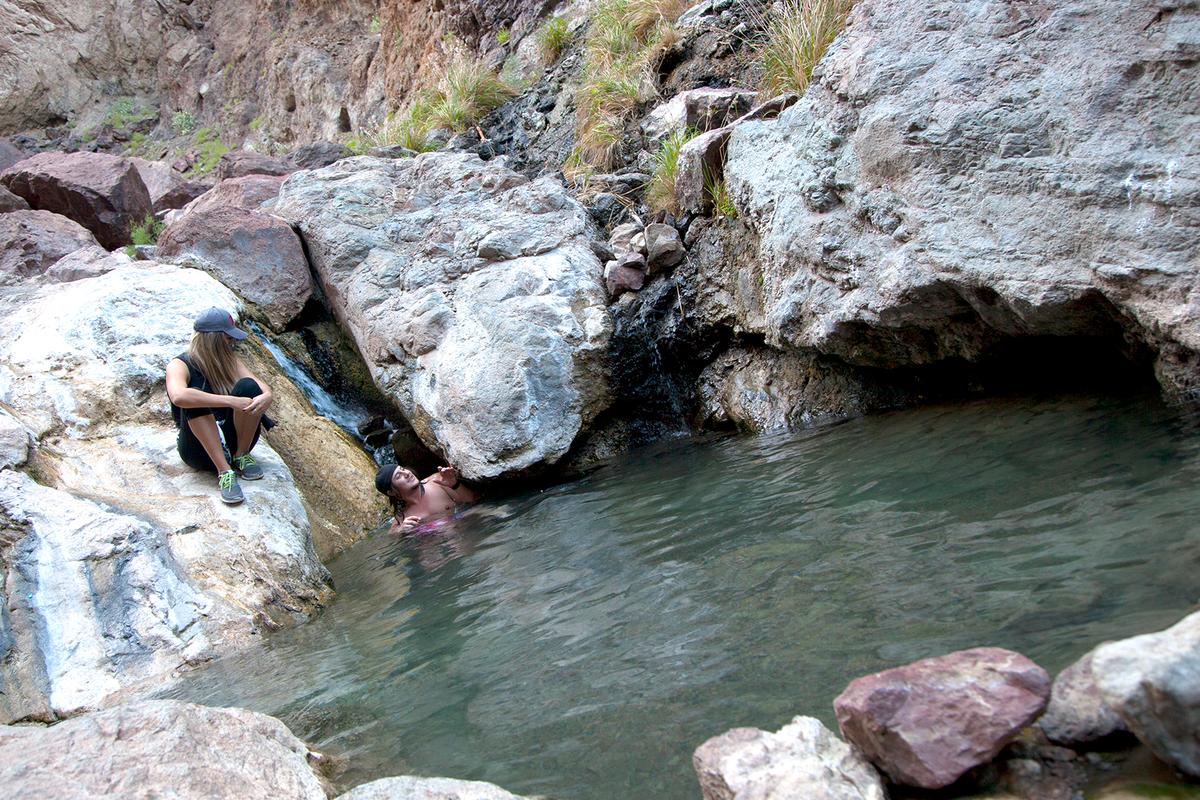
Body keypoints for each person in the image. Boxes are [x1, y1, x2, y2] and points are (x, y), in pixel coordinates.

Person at [165, 307, 274, 505]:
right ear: (213, 339)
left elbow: (257, 384)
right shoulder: (179, 364)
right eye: (228, 339)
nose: (231, 343)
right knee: (193, 399)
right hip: (199, 451)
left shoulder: (229, 360)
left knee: (248, 387)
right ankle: (225, 472)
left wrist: (267, 395)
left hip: (233, 441)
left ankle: (241, 455)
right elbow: (179, 396)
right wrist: (228, 400)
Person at [374, 463, 479, 533]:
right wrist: (400, 530)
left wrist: (455, 485)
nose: (406, 473)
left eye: (403, 469)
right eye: (399, 476)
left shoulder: (438, 481)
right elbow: (391, 535)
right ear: (391, 492)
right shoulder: (402, 517)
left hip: (464, 530)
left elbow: (473, 500)